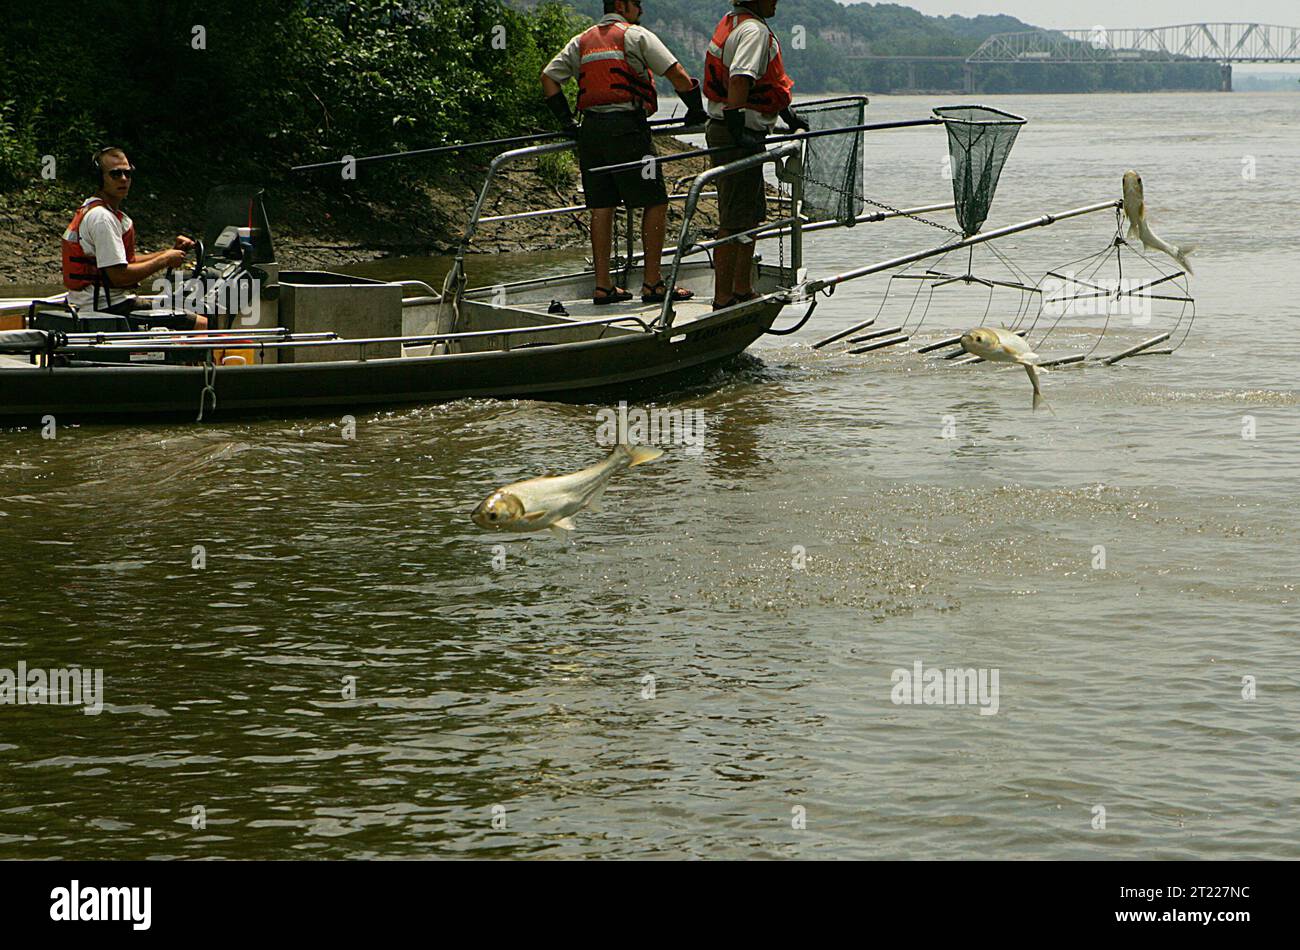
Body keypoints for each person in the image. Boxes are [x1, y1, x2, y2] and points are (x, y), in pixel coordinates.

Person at [541, 0, 708, 305]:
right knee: (655, 200)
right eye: (637, 3)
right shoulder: (635, 35)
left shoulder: (581, 40)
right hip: (628, 130)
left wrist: (566, 123)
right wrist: (696, 111)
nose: (641, 9)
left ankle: (603, 286)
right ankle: (653, 284)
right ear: (621, 4)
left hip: (591, 133)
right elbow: (679, 75)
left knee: (601, 206)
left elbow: (548, 78)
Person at [703, 0, 808, 310]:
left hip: (737, 132)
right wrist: (740, 132)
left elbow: (764, 82)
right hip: (733, 136)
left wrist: (787, 115)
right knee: (735, 219)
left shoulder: (734, 22)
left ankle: (741, 287)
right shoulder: (753, 30)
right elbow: (740, 78)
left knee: (748, 217)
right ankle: (725, 296)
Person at [62, 146, 206, 328]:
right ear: (99, 178)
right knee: (204, 324)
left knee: (193, 308)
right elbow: (119, 277)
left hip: (107, 303)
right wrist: (163, 260)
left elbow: (122, 261)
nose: (123, 179)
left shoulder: (100, 211)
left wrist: (170, 253)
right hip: (106, 309)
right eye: (115, 174)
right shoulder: (102, 218)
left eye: (127, 174)